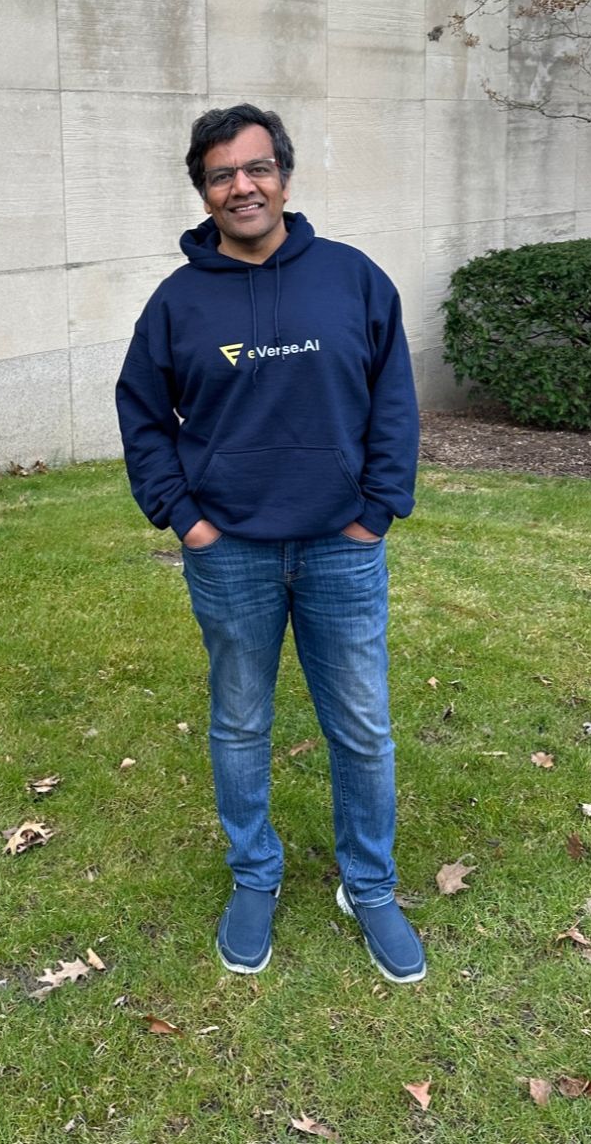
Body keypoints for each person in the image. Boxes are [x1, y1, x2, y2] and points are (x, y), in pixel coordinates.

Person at [114, 103, 425, 983]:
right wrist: (187, 520)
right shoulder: (176, 303)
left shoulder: (353, 279)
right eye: (221, 175)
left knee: (360, 727)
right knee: (242, 721)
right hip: (232, 553)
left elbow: (394, 403)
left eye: (256, 168)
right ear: (204, 191)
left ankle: (370, 885)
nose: (241, 186)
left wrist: (376, 511)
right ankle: (256, 872)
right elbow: (142, 415)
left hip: (341, 547)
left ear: (284, 176)